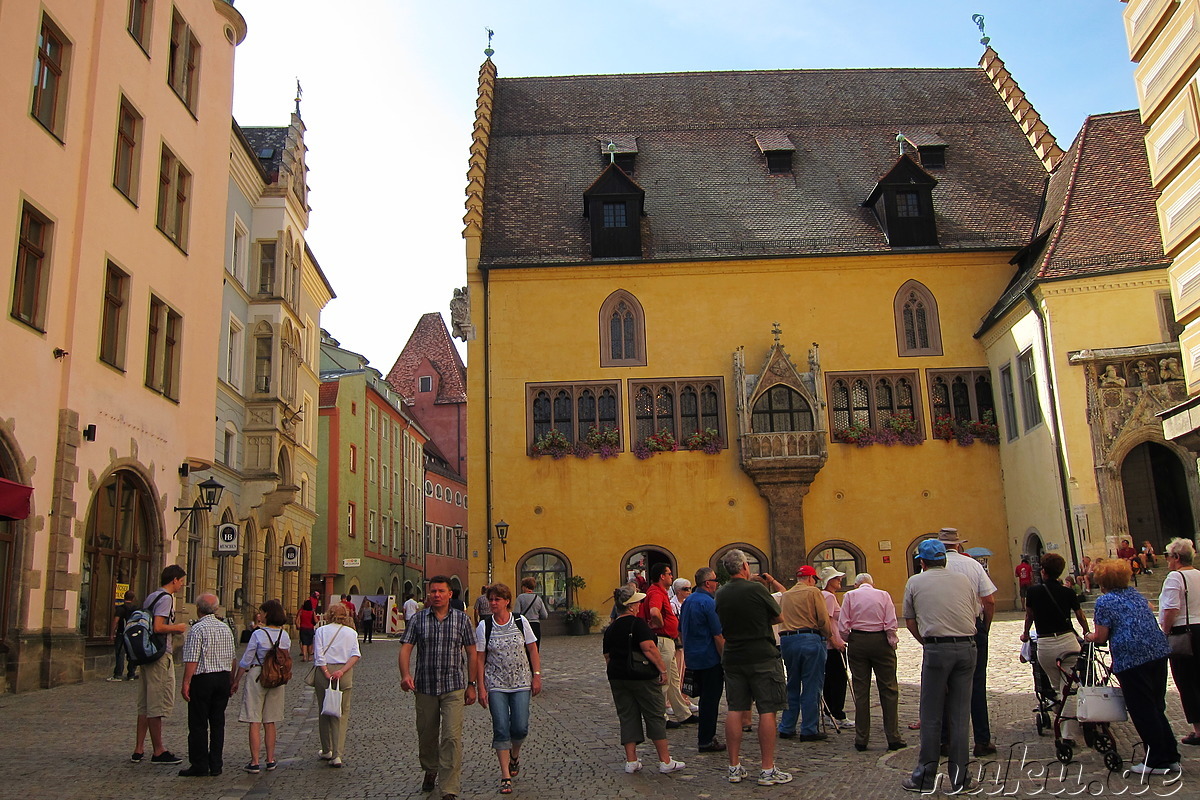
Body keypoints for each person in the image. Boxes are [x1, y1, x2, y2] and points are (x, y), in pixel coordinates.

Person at [1085, 558, 1180, 775]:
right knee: (1157, 706)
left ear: (1103, 581)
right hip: (1157, 652)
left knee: (1142, 709)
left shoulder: (1105, 602)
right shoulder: (1136, 595)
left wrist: (1089, 637)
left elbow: (1101, 636)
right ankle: (1170, 755)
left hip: (1132, 658)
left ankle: (1156, 759)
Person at [901, 539, 979, 793]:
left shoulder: (915, 582)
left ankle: (924, 776)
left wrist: (926, 642)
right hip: (967, 647)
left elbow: (910, 620)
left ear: (921, 562)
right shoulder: (963, 580)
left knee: (931, 715)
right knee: (959, 715)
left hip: (937, 647)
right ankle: (961, 778)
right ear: (944, 559)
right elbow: (974, 610)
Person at [715, 549, 792, 786]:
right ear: (744, 567)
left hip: (734, 655)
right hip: (761, 655)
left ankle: (734, 767)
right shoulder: (756, 589)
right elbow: (779, 617)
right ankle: (767, 769)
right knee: (767, 710)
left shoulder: (720, 593)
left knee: (735, 709)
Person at [400, 575, 479, 800]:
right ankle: (430, 768)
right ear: (428, 594)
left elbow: (472, 652)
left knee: (451, 737)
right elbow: (406, 648)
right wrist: (405, 675)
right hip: (425, 686)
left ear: (450, 594)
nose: (436, 595)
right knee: (426, 735)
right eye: (433, 591)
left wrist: (471, 684)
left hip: (453, 686)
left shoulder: (462, 620)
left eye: (441, 591)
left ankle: (449, 787)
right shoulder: (418, 619)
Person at [602, 585, 685, 775]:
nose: (640, 604)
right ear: (631, 606)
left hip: (618, 676)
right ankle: (665, 760)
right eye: (638, 602)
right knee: (654, 715)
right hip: (642, 676)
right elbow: (649, 648)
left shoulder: (611, 628)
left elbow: (607, 656)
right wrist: (662, 670)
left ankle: (631, 760)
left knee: (627, 715)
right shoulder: (637, 624)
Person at [475, 583, 542, 794]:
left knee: (520, 726)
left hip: (521, 681)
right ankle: (505, 774)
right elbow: (479, 658)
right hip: (496, 683)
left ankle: (515, 755)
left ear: (506, 601)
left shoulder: (521, 622)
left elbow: (532, 649)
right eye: (491, 599)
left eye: (497, 599)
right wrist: (481, 687)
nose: (493, 603)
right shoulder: (484, 626)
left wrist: (537, 676)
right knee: (501, 727)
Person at [940, 527, 998, 756]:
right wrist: (986, 626)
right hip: (973, 627)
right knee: (977, 684)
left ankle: (946, 741)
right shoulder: (972, 565)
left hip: (943, 630)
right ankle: (982, 740)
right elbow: (990, 600)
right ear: (958, 545)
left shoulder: (934, 566)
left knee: (944, 686)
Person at [1019, 553, 1088, 742]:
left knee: (1056, 686)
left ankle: (1060, 716)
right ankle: (1068, 732)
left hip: (1046, 643)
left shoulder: (1033, 592)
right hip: (1068, 641)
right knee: (1069, 687)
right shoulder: (1067, 592)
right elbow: (1080, 615)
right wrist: (1086, 633)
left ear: (1043, 570)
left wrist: (1025, 633)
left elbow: (1029, 616)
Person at [839, 573, 904, 752]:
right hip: (880, 639)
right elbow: (891, 622)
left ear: (856, 585)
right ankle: (893, 737)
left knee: (861, 691)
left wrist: (849, 639)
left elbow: (843, 624)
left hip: (858, 640)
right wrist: (891, 641)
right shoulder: (883, 595)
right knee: (889, 689)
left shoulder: (850, 596)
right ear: (872, 583)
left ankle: (861, 739)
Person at [131, 564, 188, 766]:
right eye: (181, 581)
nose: (182, 585)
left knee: (145, 704)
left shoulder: (152, 596)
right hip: (159, 655)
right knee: (156, 703)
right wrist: (177, 628)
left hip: (147, 656)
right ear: (174, 580)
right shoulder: (165, 599)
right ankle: (158, 750)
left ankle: (139, 749)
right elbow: (157, 626)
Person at [179, 592, 236, 777]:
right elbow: (233, 658)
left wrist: (186, 682)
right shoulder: (225, 628)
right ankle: (216, 764)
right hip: (222, 678)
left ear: (198, 609)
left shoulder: (197, 629)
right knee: (218, 723)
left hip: (203, 679)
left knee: (198, 723)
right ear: (216, 609)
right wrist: (232, 679)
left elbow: (192, 659)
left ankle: (200, 764)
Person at [231, 599, 291, 774]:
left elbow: (246, 660)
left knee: (254, 720)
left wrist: (236, 680)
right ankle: (270, 759)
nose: (260, 614)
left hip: (258, 675)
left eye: (262, 612)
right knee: (270, 721)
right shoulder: (284, 636)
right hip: (277, 678)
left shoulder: (258, 634)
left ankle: (255, 761)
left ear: (268, 614)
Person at [776, 564, 832, 741]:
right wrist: (827, 635)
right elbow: (823, 618)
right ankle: (808, 728)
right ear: (810, 579)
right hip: (809, 638)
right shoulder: (813, 592)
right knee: (811, 684)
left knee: (792, 683)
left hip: (787, 640)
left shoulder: (786, 595)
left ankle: (787, 726)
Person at [638, 563, 696, 726]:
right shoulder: (656, 592)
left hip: (668, 640)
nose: (671, 576)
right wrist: (660, 624)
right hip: (663, 640)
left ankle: (683, 713)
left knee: (673, 679)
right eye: (669, 574)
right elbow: (654, 612)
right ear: (662, 576)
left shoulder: (659, 592)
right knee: (664, 680)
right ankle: (661, 716)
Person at [679, 566, 726, 752]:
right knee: (710, 700)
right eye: (715, 581)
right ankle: (706, 738)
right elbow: (717, 634)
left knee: (705, 698)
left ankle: (705, 736)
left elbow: (681, 631)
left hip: (693, 656)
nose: (717, 584)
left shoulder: (688, 601)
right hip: (710, 658)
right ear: (708, 583)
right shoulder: (708, 603)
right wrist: (725, 658)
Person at [1159, 538, 1200, 747]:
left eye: (1168, 556)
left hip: (1185, 633)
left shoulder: (1175, 577)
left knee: (1187, 680)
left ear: (1176, 557)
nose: (1167, 561)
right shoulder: (1198, 575)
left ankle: (1198, 729)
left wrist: (1164, 631)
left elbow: (1171, 609)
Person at [313, 602, 362, 768]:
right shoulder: (351, 633)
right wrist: (342, 671)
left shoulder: (320, 631)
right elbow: (356, 654)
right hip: (344, 672)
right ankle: (337, 755)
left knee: (324, 710)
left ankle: (327, 749)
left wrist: (326, 673)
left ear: (328, 614)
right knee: (342, 713)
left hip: (324, 672)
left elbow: (318, 656)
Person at [817, 566, 852, 730]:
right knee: (838, 680)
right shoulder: (829, 597)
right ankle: (837, 714)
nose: (840, 580)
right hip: (833, 645)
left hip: (829, 645)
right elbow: (826, 622)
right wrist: (835, 641)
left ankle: (829, 712)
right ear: (829, 581)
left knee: (830, 681)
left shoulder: (825, 596)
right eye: (837, 578)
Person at [109, 590, 138, 682]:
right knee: (132, 654)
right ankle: (131, 674)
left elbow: (116, 621)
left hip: (122, 633)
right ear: (133, 599)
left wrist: (112, 633)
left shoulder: (121, 608)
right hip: (132, 634)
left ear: (124, 597)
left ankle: (118, 675)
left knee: (120, 654)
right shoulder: (135, 609)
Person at [514, 577, 549, 644]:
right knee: (535, 648)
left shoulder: (520, 598)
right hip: (535, 625)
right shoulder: (538, 598)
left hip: (524, 625)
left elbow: (516, 613)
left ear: (524, 587)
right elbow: (544, 615)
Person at [297, 598, 316, 662]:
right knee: (310, 643)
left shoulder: (301, 612)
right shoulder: (312, 612)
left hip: (303, 628)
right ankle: (310, 657)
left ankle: (304, 657)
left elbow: (298, 620)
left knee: (304, 643)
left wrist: (298, 625)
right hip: (310, 628)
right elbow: (316, 620)